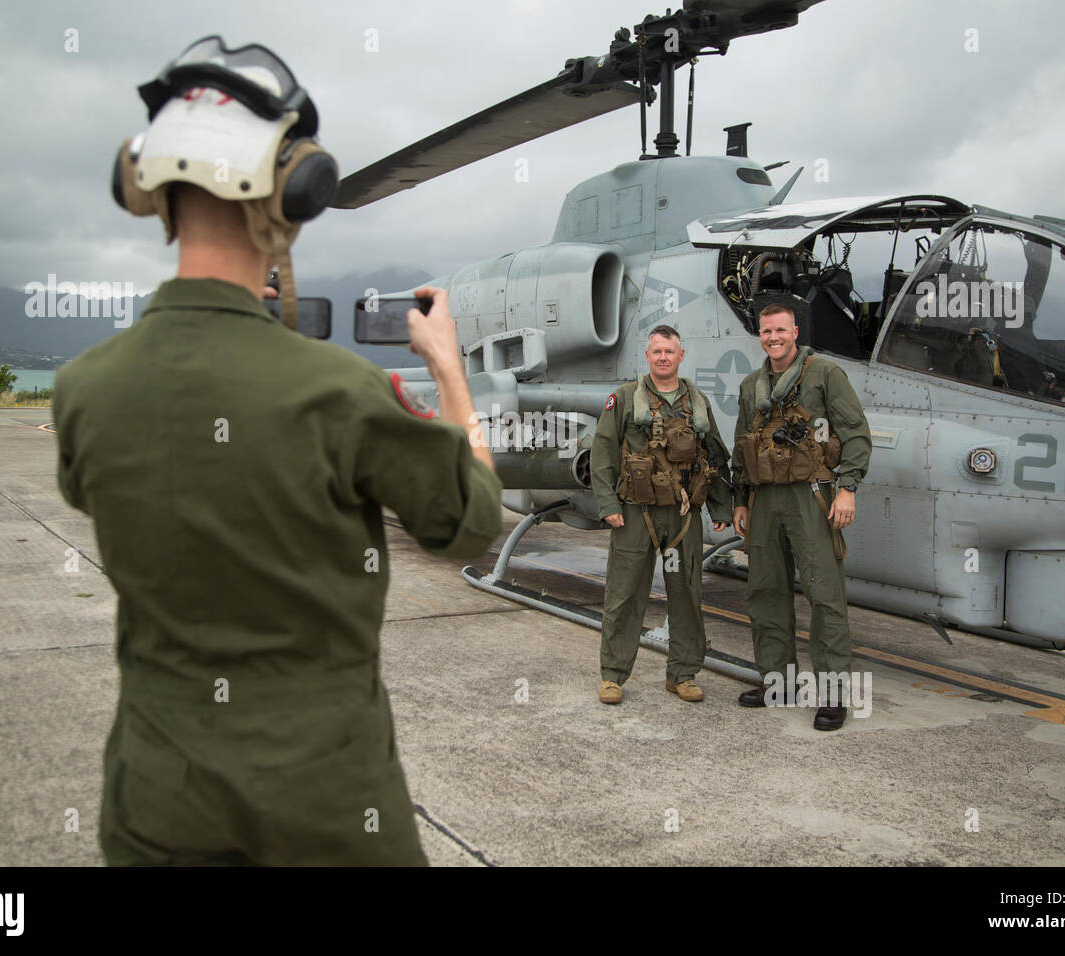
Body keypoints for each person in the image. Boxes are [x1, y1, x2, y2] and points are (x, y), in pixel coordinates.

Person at [53, 36, 501, 865]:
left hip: (157, 802)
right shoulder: (339, 392)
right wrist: (450, 372)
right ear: (291, 189)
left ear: (148, 185)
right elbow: (471, 526)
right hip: (326, 807)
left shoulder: (84, 389)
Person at [731, 304, 871, 731]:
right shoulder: (752, 384)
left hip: (812, 495)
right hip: (765, 499)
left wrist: (847, 488)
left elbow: (855, 432)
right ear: (760, 335)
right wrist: (739, 499)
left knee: (824, 596)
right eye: (766, 330)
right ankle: (779, 682)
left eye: (780, 330)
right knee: (766, 591)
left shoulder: (824, 374)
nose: (773, 337)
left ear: (795, 332)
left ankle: (833, 695)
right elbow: (742, 445)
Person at [590, 325, 733, 704]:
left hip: (683, 515)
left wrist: (721, 505)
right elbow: (602, 454)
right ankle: (613, 676)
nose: (663, 357)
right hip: (635, 515)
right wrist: (608, 506)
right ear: (648, 356)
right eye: (656, 352)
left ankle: (682, 674)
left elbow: (715, 455)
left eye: (670, 351)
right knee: (625, 593)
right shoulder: (624, 399)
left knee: (686, 591)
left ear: (681, 356)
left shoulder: (696, 402)